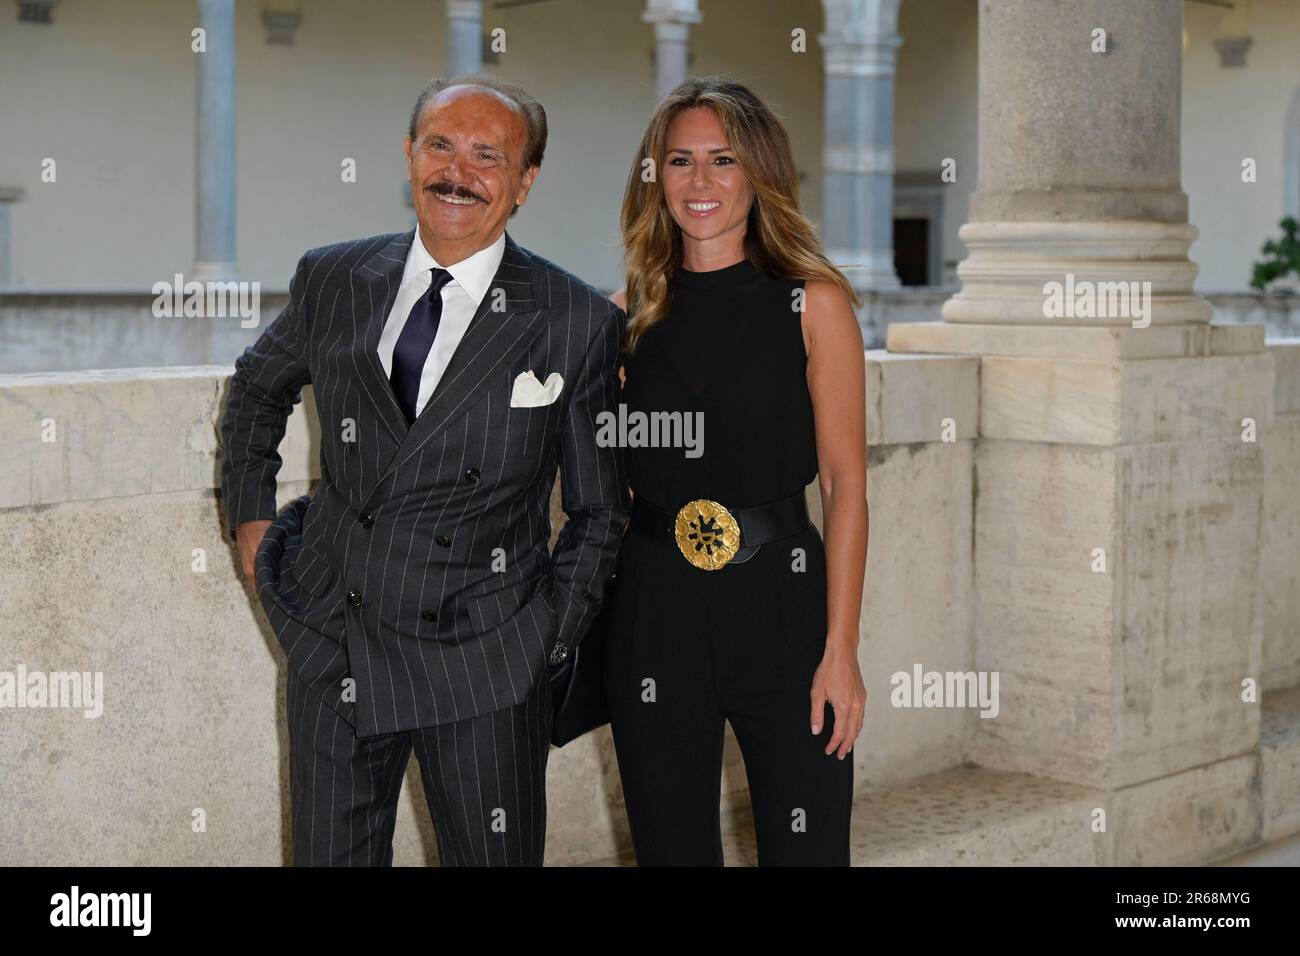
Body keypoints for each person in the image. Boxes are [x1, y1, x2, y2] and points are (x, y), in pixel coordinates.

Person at [219, 74, 628, 866]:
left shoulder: (575, 319)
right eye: (439, 144)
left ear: (524, 183)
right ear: (409, 155)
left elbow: (601, 510)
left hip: (486, 661)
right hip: (335, 636)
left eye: (487, 155)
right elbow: (255, 393)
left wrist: (542, 637)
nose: (456, 172)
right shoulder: (333, 278)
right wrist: (250, 517)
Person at [605, 76, 869, 866]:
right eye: (679, 161)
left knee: (809, 848)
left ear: (759, 171)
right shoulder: (627, 314)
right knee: (671, 850)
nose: (700, 182)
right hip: (655, 613)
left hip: (783, 609)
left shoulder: (812, 303)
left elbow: (846, 484)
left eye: (723, 159)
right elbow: (616, 479)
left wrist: (842, 651)